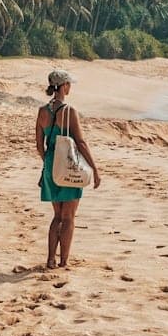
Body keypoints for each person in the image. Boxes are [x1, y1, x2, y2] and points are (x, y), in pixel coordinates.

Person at [35, 70, 100, 269]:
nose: (70, 87)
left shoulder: (42, 111)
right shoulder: (69, 111)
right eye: (69, 84)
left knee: (57, 216)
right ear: (64, 86)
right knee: (68, 217)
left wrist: (49, 162)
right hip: (68, 166)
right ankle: (63, 260)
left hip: (50, 166)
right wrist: (95, 169)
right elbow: (80, 142)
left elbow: (39, 145)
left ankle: (50, 259)